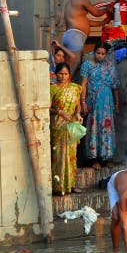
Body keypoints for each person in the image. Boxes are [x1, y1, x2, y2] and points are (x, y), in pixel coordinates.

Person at [80, 42, 120, 169]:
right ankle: (94, 159)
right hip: (93, 101)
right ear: (94, 51)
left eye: (103, 54)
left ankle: (107, 157)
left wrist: (117, 103)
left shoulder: (110, 66)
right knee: (94, 127)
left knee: (107, 127)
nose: (100, 56)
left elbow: (115, 86)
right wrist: (83, 102)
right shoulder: (87, 65)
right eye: (98, 53)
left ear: (106, 54)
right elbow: (84, 84)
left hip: (107, 102)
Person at [63, 0, 110, 75]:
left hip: (69, 35)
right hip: (75, 36)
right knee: (75, 62)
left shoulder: (69, 3)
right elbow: (96, 13)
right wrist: (107, 9)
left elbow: (86, 22)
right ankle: (65, 87)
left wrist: (102, 23)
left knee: (69, 64)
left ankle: (67, 85)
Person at [49, 63, 83, 195]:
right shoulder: (52, 89)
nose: (63, 76)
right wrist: (59, 112)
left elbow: (77, 104)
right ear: (56, 74)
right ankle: (58, 186)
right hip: (58, 127)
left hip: (71, 126)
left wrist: (78, 114)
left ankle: (72, 184)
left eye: (66, 74)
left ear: (69, 75)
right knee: (59, 156)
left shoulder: (74, 88)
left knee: (72, 156)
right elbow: (47, 108)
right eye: (60, 74)